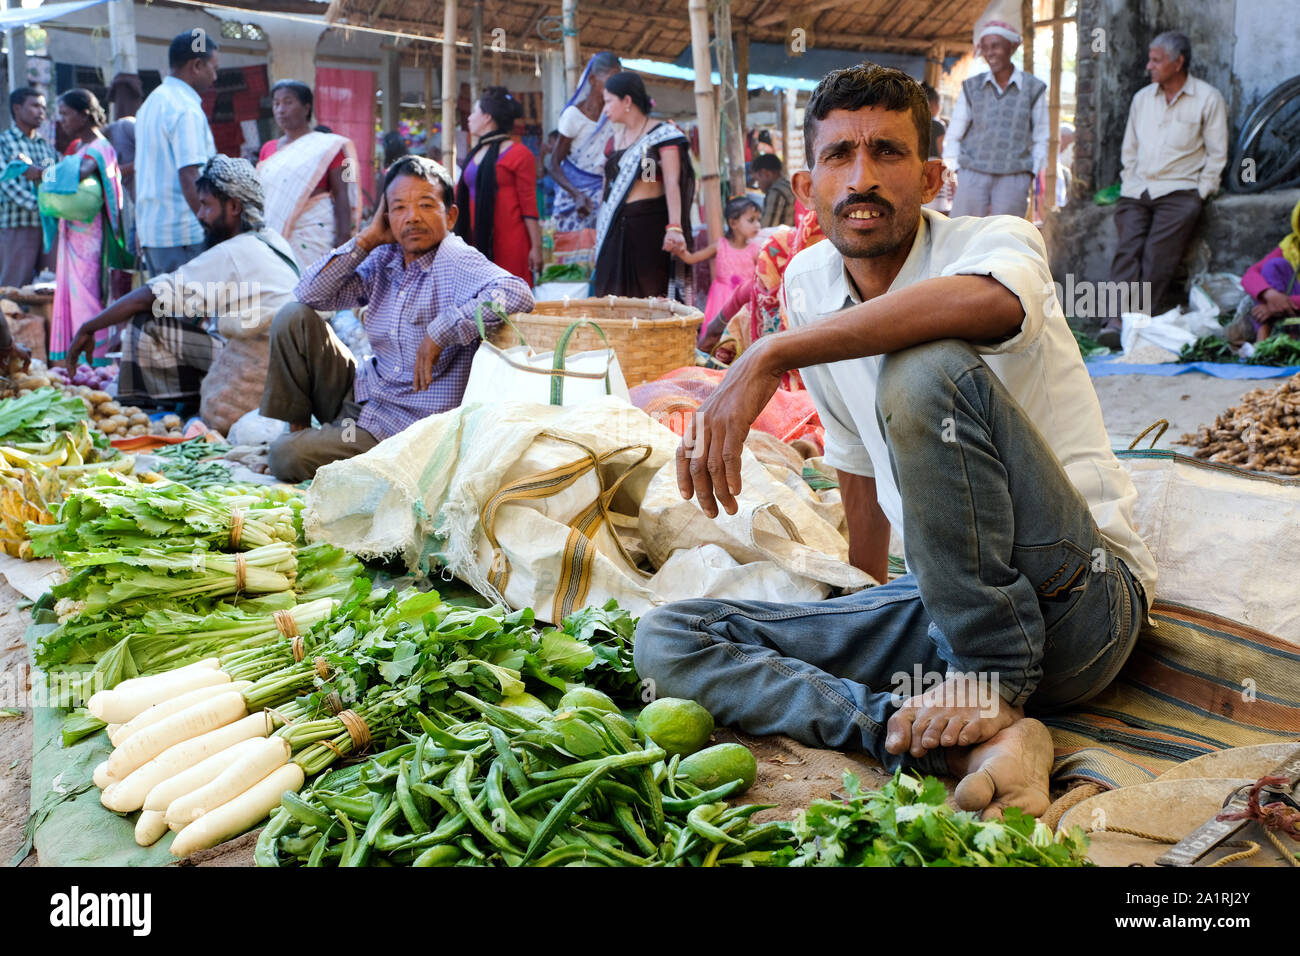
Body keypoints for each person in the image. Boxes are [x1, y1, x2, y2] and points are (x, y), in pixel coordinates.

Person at [633, 63, 1157, 821]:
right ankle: (956, 742)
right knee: (673, 638)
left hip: (1079, 603)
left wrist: (771, 352)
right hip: (948, 601)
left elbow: (993, 304)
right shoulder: (810, 282)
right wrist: (864, 600)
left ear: (933, 175)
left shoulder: (995, 239)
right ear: (810, 183)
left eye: (887, 152)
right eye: (840, 157)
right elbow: (851, 464)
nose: (862, 178)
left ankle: (991, 677)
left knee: (921, 371)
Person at [260, 155, 534, 482]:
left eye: (426, 205)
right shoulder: (384, 257)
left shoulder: (455, 258)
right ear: (386, 216)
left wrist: (441, 331)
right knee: (294, 318)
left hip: (401, 427)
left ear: (451, 216)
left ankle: (304, 447)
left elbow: (516, 292)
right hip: (366, 395)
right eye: (399, 207)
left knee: (283, 456)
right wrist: (368, 239)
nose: (412, 217)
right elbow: (309, 294)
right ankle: (303, 434)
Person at [66, 156, 299, 427]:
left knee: (147, 323)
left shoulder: (233, 251)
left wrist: (90, 327)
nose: (200, 216)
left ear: (233, 206)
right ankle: (182, 402)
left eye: (206, 206)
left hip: (257, 365)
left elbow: (152, 295)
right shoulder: (274, 240)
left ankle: (143, 406)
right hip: (284, 363)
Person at [1097, 32, 1229, 348]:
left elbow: (1217, 152)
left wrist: (1202, 192)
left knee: (1159, 255)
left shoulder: (1208, 98)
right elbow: (1129, 149)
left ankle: (1138, 320)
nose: (1149, 66)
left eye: (1156, 60)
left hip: (1181, 191)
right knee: (1128, 250)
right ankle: (1116, 319)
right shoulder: (1142, 99)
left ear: (1178, 62)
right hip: (1138, 189)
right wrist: (1130, 181)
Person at [592, 72, 696, 299]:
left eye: (609, 101)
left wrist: (675, 227)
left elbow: (671, 182)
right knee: (610, 298)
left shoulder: (661, 136)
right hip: (614, 229)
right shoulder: (614, 140)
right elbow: (606, 188)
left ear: (627, 101)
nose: (605, 109)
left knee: (648, 296)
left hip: (647, 229)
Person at [45, 90, 129, 366]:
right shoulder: (82, 146)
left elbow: (80, 173)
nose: (62, 121)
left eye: (66, 114)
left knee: (87, 297)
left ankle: (94, 360)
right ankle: (75, 358)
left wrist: (44, 171)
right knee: (75, 293)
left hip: (90, 240)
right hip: (74, 236)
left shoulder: (99, 148)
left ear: (84, 114)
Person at [942, 1, 1047, 219]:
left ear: (1012, 47)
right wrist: (954, 171)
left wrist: (1030, 173)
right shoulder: (971, 87)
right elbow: (954, 135)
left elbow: (1041, 137)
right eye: (986, 47)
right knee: (964, 232)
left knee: (1004, 237)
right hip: (972, 174)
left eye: (996, 45)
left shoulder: (1033, 88)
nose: (990, 52)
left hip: (1014, 177)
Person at [135, 30, 219, 277]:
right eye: (213, 68)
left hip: (154, 233)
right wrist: (209, 224)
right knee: (189, 312)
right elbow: (190, 174)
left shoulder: (153, 102)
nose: (215, 77)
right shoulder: (185, 108)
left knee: (167, 313)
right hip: (184, 234)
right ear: (197, 65)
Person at [257, 79, 359, 269]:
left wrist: (343, 241)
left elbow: (342, 195)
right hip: (273, 235)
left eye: (288, 102)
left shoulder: (329, 147)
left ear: (306, 107)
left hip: (314, 236)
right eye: (276, 103)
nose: (280, 109)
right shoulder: (268, 149)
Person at [454, 86, 541, 286]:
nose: (469, 117)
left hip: (510, 243)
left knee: (510, 302)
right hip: (475, 242)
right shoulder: (474, 153)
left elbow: (529, 205)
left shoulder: (520, 154)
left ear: (487, 118)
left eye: (475, 111)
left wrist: (536, 247)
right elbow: (458, 194)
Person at [549, 52, 620, 234]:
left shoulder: (615, 116)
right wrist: (577, 195)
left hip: (603, 194)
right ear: (593, 80)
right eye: (611, 79)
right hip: (572, 199)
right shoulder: (574, 116)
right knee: (571, 258)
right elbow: (554, 164)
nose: (616, 86)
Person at [678, 196, 762, 351]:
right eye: (751, 220)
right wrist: (680, 250)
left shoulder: (755, 250)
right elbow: (691, 258)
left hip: (744, 301)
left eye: (758, 220)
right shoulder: (720, 245)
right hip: (720, 299)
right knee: (716, 336)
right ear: (733, 223)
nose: (757, 225)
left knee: (742, 334)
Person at [0, 88, 57, 288]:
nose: (41, 112)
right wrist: (43, 206)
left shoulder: (46, 146)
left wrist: (52, 207)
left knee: (48, 287)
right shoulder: (4, 142)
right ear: (17, 108)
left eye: (43, 107)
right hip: (17, 225)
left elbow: (53, 182)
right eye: (35, 106)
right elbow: (5, 183)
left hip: (48, 228)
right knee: (12, 288)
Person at [1231, 197, 1300, 344]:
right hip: (1290, 311)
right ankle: (1264, 337)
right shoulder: (1291, 246)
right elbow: (1250, 275)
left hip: (1291, 307)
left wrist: (1275, 307)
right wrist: (1270, 295)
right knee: (1273, 266)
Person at [751, 154, 796, 229]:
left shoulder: (776, 192)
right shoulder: (788, 185)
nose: (758, 186)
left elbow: (767, 228)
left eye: (757, 180)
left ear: (766, 174)